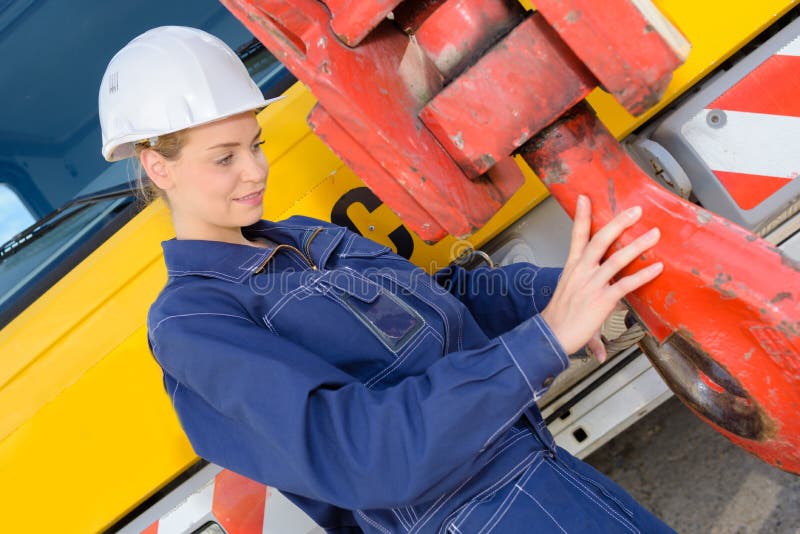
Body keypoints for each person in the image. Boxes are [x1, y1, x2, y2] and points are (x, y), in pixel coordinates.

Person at [100, 26, 674, 533]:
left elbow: (437, 302)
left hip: (538, 470)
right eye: (224, 158)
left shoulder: (299, 237)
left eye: (255, 146)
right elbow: (363, 454)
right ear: (159, 167)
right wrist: (544, 340)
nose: (254, 171)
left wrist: (566, 293)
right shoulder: (192, 324)